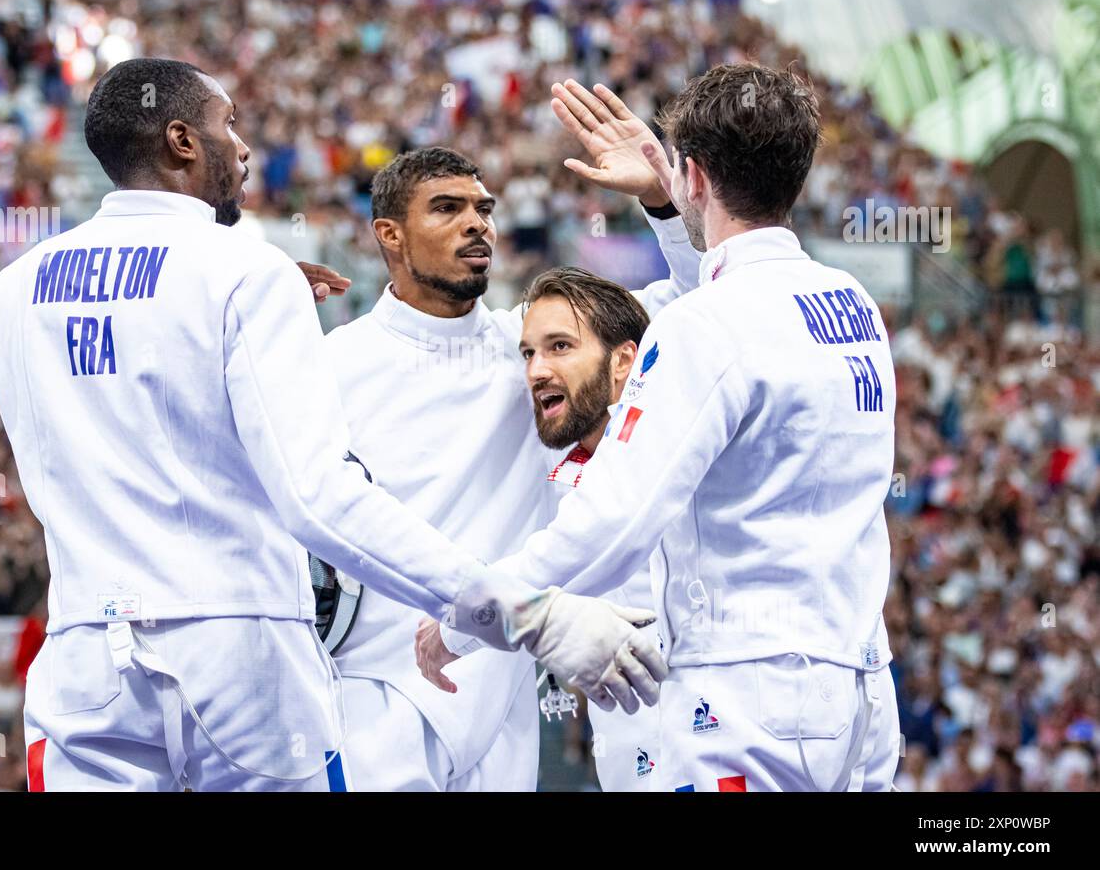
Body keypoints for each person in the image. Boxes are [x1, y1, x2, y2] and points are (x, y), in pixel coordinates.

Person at [0, 57, 666, 792]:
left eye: (483, 208)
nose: (244, 148)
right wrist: (532, 616)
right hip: (244, 656)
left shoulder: (16, 286)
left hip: (85, 659)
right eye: (229, 125)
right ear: (182, 141)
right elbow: (317, 502)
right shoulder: (249, 273)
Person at [420, 63, 902, 792]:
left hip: (747, 700)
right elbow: (717, 297)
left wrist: (468, 615)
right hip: (861, 687)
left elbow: (611, 526)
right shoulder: (850, 302)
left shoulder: (707, 327)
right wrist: (667, 200)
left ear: (697, 175)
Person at [326, 80, 701, 791]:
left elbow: (690, 305)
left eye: (484, 210)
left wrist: (662, 205)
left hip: (500, 720)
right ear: (389, 235)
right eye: (448, 209)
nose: (479, 225)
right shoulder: (331, 366)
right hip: (371, 707)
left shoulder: (530, 350)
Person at [519, 266, 667, 790]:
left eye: (560, 346)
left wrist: (662, 203)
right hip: (626, 761)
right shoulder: (553, 456)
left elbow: (703, 286)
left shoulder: (674, 444)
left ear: (624, 360)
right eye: (529, 353)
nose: (537, 369)